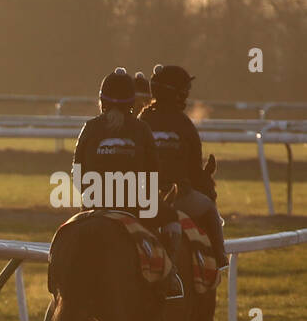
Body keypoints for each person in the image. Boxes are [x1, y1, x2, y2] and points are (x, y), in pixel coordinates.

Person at [71, 67, 180, 299]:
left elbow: (77, 173)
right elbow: (153, 173)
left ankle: (59, 290)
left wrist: (93, 196)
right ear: (131, 101)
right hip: (136, 207)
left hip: (94, 207)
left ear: (102, 100)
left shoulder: (90, 128)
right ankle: (171, 275)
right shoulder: (141, 129)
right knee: (171, 217)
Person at [139, 64, 227, 268]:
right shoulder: (184, 124)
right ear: (175, 93)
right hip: (179, 198)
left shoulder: (142, 119)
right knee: (209, 209)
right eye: (184, 90)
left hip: (143, 198)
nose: (186, 94)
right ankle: (219, 257)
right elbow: (195, 172)